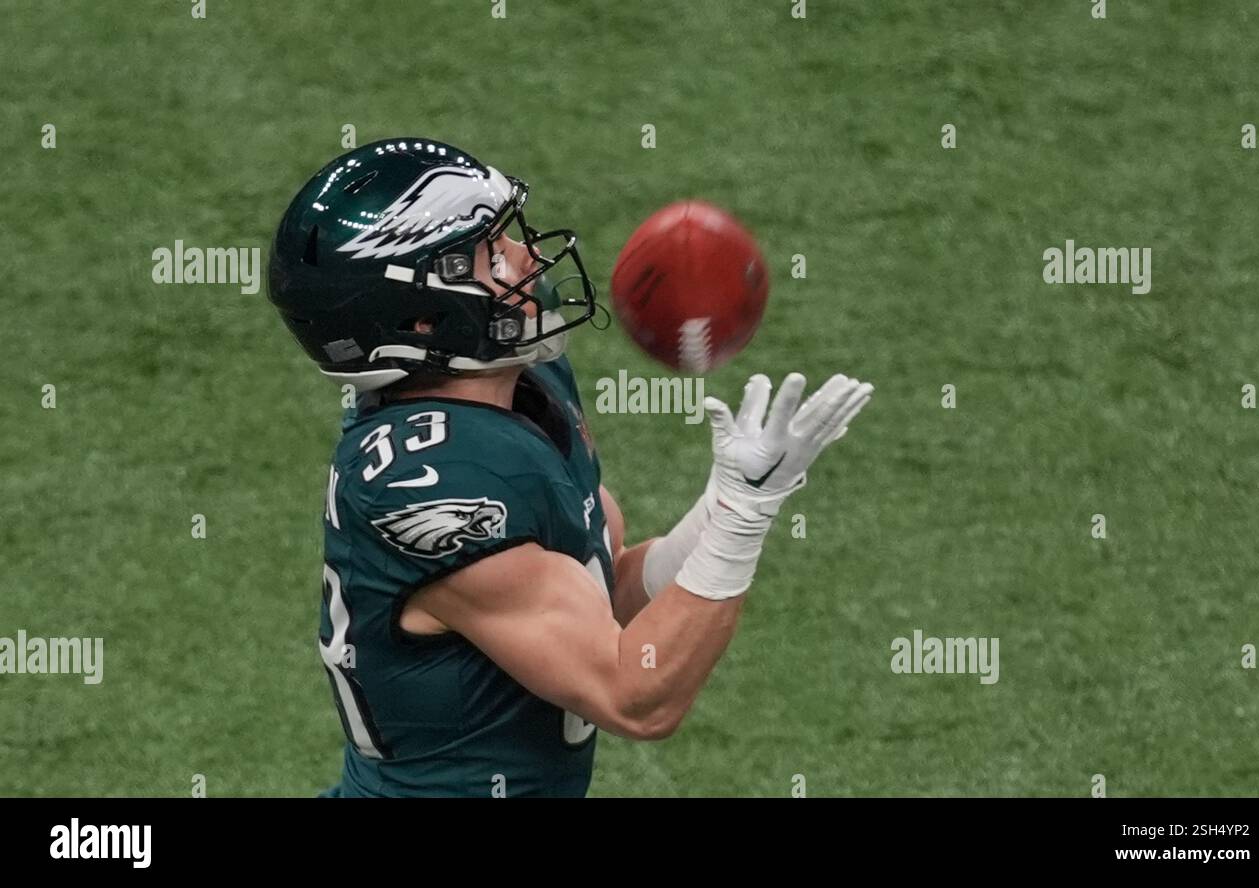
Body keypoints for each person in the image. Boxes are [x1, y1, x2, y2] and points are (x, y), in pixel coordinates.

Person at [267, 137, 874, 797]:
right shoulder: (430, 476)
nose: (528, 258)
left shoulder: (525, 386)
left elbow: (596, 593)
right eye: (491, 252)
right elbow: (635, 697)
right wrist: (742, 519)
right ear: (420, 318)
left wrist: (725, 509)